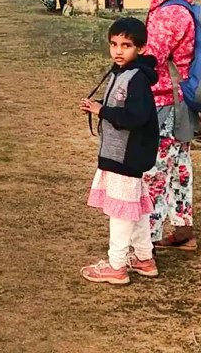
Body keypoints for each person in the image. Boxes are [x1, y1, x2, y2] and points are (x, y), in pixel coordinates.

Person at [78, 17, 161, 285]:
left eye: (126, 45)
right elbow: (124, 107)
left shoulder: (135, 78)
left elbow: (135, 116)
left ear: (142, 48)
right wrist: (101, 105)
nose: (118, 50)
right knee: (134, 209)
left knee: (121, 213)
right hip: (123, 156)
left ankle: (116, 265)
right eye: (114, 44)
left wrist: (101, 110)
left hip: (125, 157)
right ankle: (144, 259)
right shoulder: (124, 73)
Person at [129, 0, 198, 250]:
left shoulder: (167, 14)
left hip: (164, 103)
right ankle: (183, 229)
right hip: (182, 100)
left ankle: (147, 242)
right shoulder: (183, 5)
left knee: (154, 172)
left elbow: (151, 59)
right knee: (179, 166)